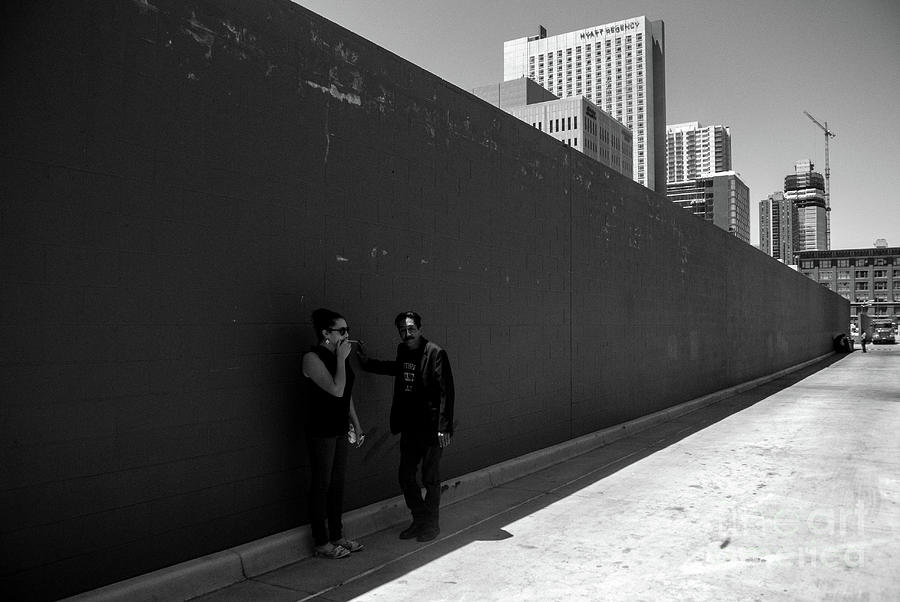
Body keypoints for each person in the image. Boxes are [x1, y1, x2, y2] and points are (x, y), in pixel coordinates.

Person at [357, 311, 454, 542]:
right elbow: (398, 369)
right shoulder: (403, 351)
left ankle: (432, 525)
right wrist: (368, 363)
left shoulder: (435, 353)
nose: (407, 333)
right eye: (402, 329)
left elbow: (446, 392)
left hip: (431, 429)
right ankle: (419, 519)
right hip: (410, 427)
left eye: (411, 328)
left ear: (419, 328)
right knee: (406, 476)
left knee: (430, 479)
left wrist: (444, 427)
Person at [302, 308, 366, 559]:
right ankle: (321, 541)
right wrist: (340, 359)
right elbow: (336, 390)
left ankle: (337, 535)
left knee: (338, 483)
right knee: (322, 484)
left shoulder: (341, 357)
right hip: (320, 430)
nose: (346, 335)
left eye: (347, 330)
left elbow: (347, 395)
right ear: (325, 333)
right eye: (341, 331)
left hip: (339, 428)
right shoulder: (312, 358)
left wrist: (356, 424)